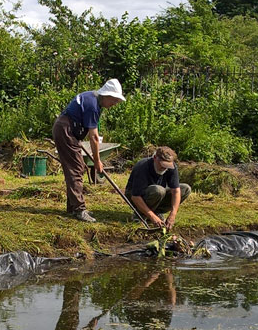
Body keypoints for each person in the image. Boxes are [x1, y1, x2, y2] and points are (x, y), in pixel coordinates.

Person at [52, 79, 125, 222]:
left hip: (69, 130)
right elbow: (95, 138)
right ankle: (79, 209)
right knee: (76, 169)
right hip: (66, 131)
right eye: (114, 100)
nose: (114, 104)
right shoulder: (93, 106)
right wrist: (97, 161)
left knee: (77, 168)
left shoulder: (92, 98)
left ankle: (73, 207)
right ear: (107, 95)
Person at [125, 146, 191, 230]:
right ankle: (140, 214)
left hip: (158, 193)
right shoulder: (143, 166)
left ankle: (157, 211)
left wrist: (173, 214)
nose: (165, 168)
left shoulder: (171, 167)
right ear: (155, 158)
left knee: (185, 189)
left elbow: (176, 192)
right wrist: (152, 216)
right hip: (136, 195)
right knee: (158, 190)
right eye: (162, 164)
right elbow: (135, 197)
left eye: (167, 165)